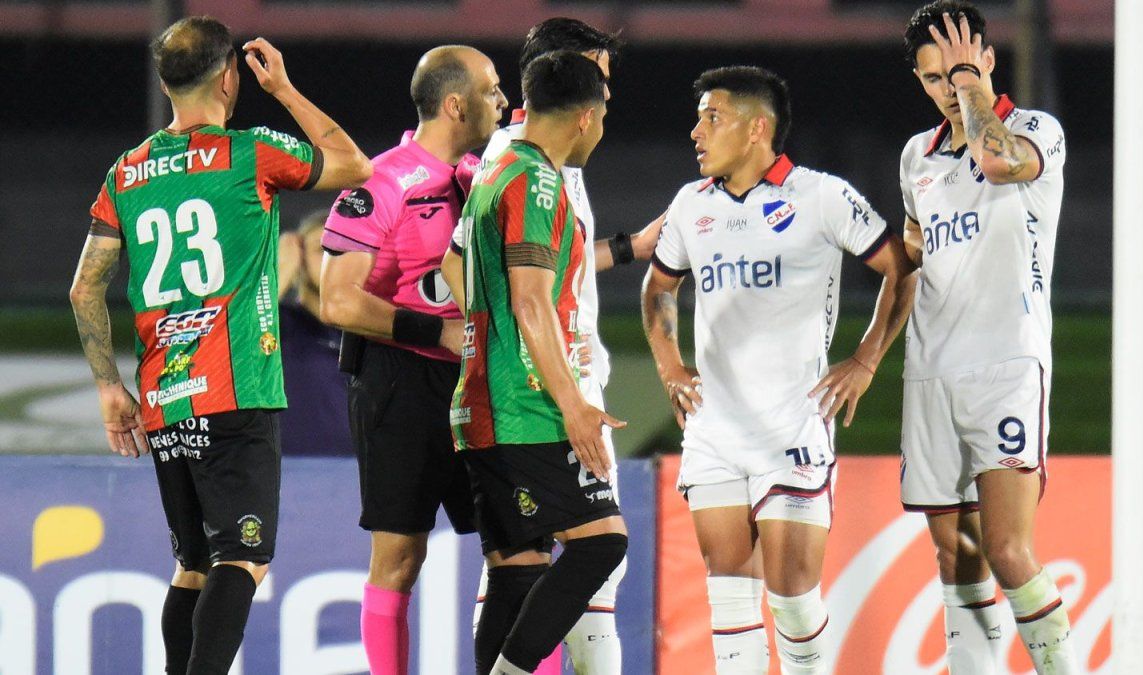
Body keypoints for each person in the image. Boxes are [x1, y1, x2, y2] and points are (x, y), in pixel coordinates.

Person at [68, 16, 371, 675]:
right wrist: (284, 90)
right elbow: (355, 166)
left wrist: (109, 386)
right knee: (242, 557)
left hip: (164, 394)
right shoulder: (250, 152)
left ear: (165, 83)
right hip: (236, 390)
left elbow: (85, 287)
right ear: (230, 77)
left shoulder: (126, 172)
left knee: (194, 565)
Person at [641, 66, 916, 674]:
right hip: (715, 429)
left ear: (756, 128)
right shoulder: (691, 205)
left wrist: (866, 358)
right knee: (729, 596)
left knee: (791, 594)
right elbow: (658, 287)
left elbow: (901, 269)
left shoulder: (822, 196)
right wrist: (669, 366)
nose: (696, 132)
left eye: (711, 118)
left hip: (792, 426)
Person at [441, 18, 663, 673]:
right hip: (530, 401)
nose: (606, 107)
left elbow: (463, 265)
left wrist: (491, 340)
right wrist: (566, 392)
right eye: (602, 94)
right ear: (583, 110)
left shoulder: (504, 164)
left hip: (493, 394)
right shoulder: (536, 176)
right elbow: (531, 298)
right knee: (601, 546)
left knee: (518, 568)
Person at [897, 2, 1077, 673]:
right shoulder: (915, 156)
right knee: (959, 558)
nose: (947, 88)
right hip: (931, 371)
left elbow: (999, 164)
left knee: (1006, 549)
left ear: (989, 62)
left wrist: (970, 86)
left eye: (959, 72)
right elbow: (915, 245)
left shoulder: (1035, 130)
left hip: (1006, 364)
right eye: (933, 78)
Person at [317, 45, 507, 674]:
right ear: (455, 104)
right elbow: (337, 299)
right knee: (399, 557)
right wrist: (437, 332)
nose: (502, 101)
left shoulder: (485, 178)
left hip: (479, 379)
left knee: (520, 547)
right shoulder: (380, 181)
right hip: (400, 382)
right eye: (491, 89)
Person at [276, 212, 352, 456]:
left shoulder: (371, 332)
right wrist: (281, 270)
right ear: (299, 259)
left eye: (342, 251)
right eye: (321, 250)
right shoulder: (278, 323)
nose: (332, 261)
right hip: (293, 471)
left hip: (355, 471)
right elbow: (234, 342)